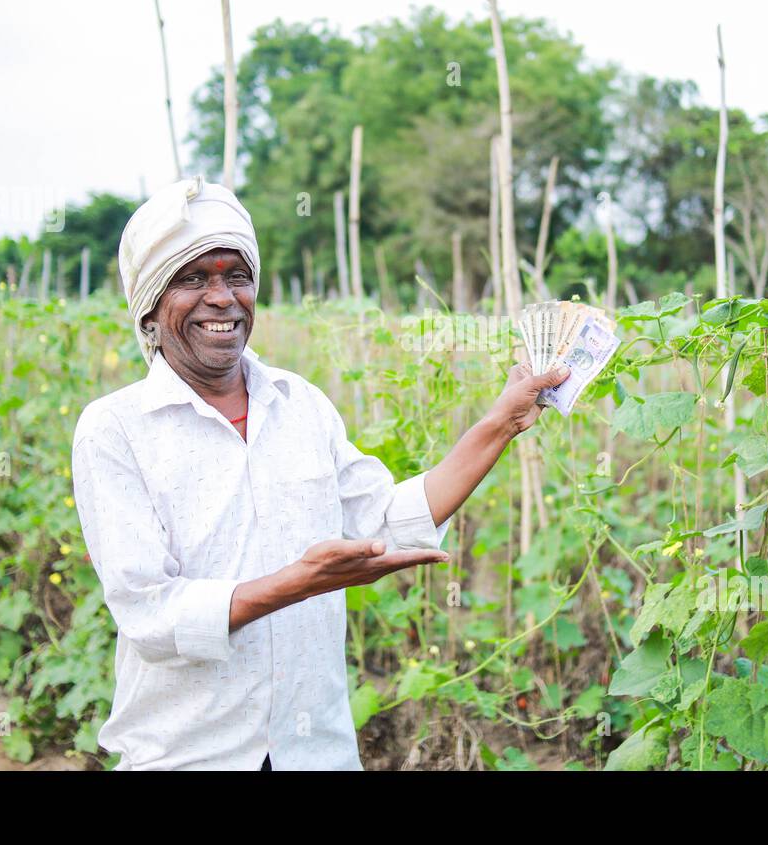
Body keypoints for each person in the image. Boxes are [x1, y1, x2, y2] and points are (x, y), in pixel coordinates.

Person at [71, 176, 569, 770]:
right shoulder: (116, 429)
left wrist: (500, 422)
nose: (223, 298)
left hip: (315, 751)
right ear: (150, 309)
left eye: (237, 276)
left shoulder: (299, 404)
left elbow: (388, 520)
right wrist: (298, 583)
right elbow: (148, 612)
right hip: (187, 753)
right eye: (192, 279)